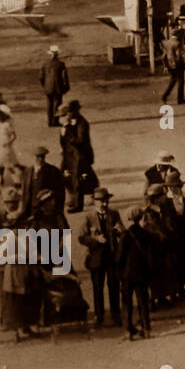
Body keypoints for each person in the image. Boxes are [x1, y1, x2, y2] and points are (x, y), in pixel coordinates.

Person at [0, 187, 42, 342]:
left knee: (22, 295)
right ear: (4, 202)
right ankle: (3, 322)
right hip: (3, 262)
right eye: (9, 202)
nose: (12, 205)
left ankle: (23, 324)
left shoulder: (22, 216)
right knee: (4, 295)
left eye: (15, 202)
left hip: (21, 262)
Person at [76, 187, 122, 328]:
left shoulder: (113, 214)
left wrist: (120, 231)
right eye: (100, 201)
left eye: (106, 200)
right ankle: (99, 315)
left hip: (112, 256)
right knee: (97, 287)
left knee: (114, 286)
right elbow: (81, 237)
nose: (104, 204)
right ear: (94, 202)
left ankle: (115, 315)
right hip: (96, 258)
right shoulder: (88, 217)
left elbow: (122, 231)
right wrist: (96, 239)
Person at [115, 207, 156, 341]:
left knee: (127, 303)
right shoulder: (146, 234)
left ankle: (128, 331)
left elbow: (119, 256)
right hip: (142, 273)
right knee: (143, 302)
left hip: (127, 275)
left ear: (128, 218)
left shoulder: (125, 235)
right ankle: (146, 329)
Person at [58, 100, 94, 213]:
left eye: (69, 112)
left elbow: (80, 140)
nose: (67, 115)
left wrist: (67, 131)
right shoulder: (70, 123)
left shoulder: (82, 123)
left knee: (78, 180)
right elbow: (63, 142)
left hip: (80, 156)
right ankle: (73, 199)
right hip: (70, 156)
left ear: (75, 111)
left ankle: (78, 205)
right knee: (66, 177)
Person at [163, 172, 185, 299]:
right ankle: (173, 289)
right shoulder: (166, 200)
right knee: (174, 262)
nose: (172, 188)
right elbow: (167, 218)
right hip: (173, 235)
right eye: (170, 186)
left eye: (174, 186)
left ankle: (182, 287)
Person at [19, 145, 65, 219]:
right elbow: (25, 193)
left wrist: (50, 194)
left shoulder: (53, 171)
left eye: (42, 156)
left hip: (45, 211)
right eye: (37, 156)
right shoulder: (28, 172)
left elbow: (60, 191)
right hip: (30, 210)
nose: (40, 159)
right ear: (33, 157)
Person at [0, 104, 18, 196]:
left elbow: (14, 136)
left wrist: (8, 142)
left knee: (1, 167)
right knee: (6, 167)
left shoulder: (7, 125)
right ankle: (17, 181)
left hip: (5, 149)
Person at [39, 46, 69, 127]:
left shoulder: (45, 64)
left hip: (48, 87)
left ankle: (49, 121)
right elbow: (65, 77)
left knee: (49, 104)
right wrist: (66, 87)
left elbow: (41, 77)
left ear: (50, 54)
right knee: (57, 104)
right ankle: (55, 121)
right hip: (58, 87)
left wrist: (44, 85)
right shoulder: (61, 64)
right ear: (57, 55)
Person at [161, 32, 185, 104]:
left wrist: (165, 66)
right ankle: (180, 99)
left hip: (170, 64)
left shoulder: (167, 43)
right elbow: (178, 55)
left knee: (173, 80)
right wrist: (183, 63)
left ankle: (165, 96)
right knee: (181, 81)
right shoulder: (178, 43)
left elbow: (163, 56)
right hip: (178, 64)